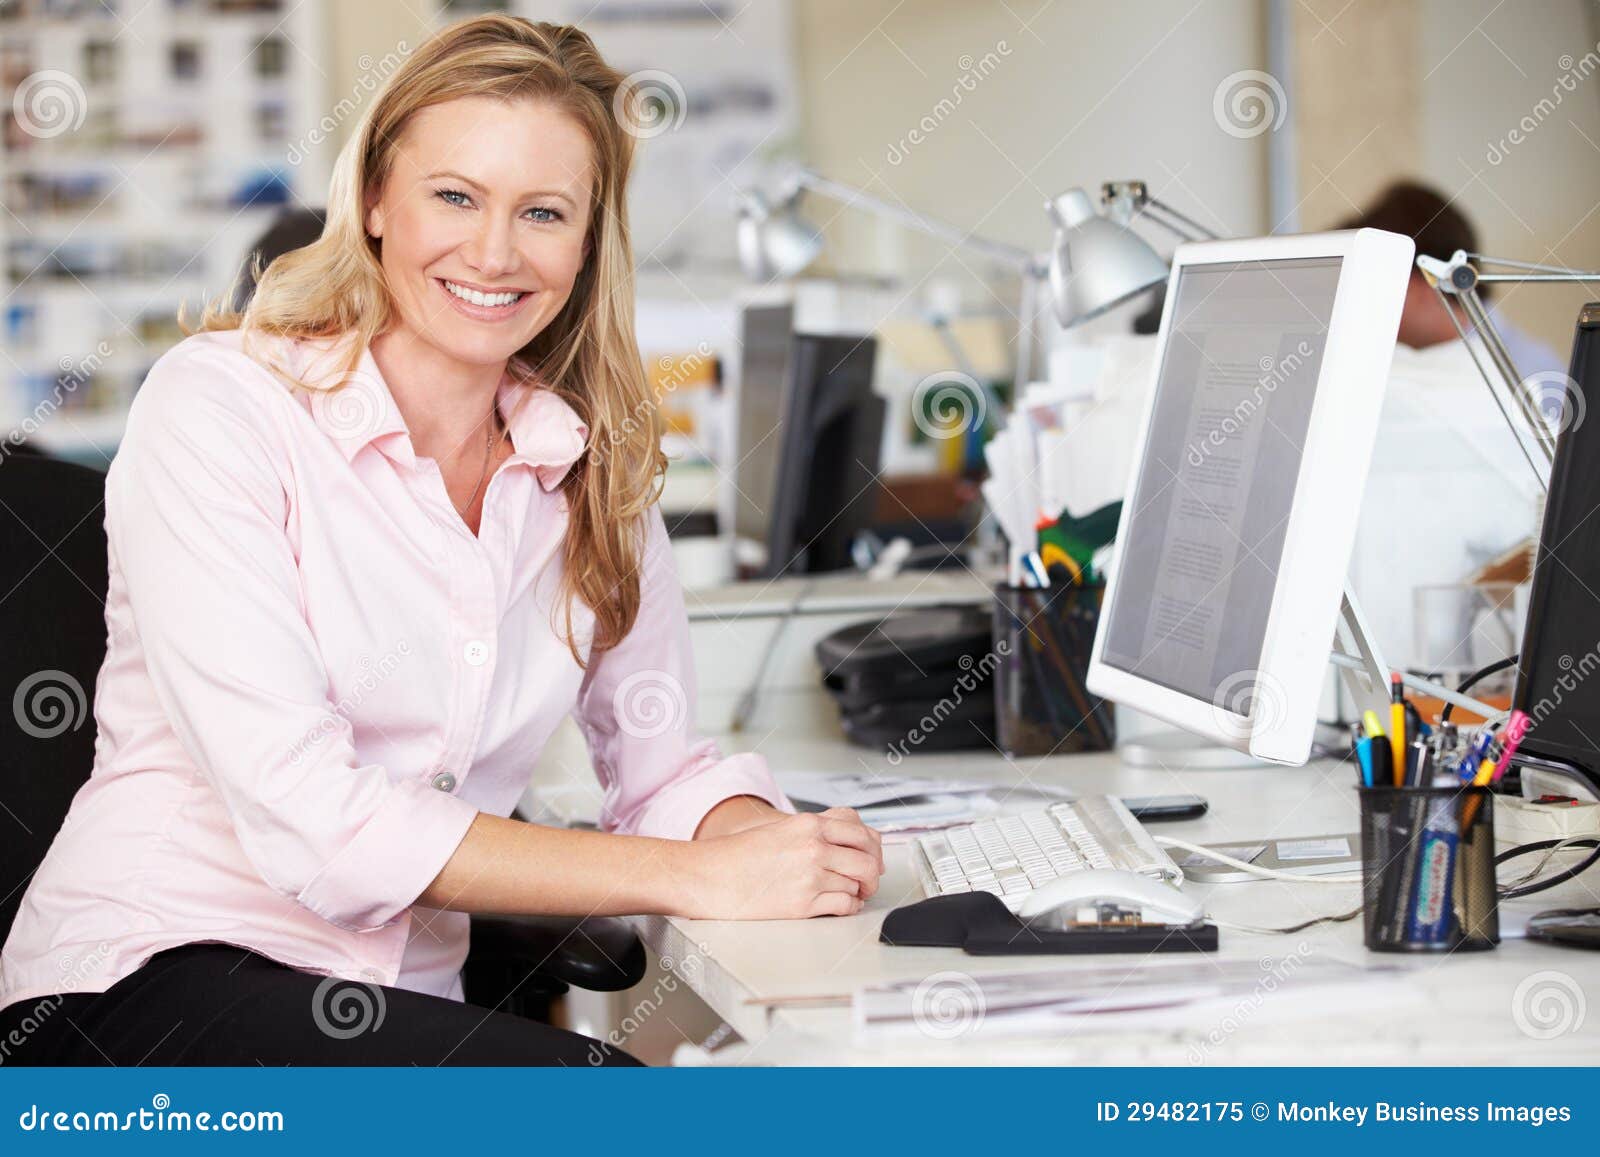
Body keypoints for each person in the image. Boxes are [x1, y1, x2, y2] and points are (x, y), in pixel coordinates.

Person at [0, 15, 883, 1066]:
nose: (495, 252)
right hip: (143, 988)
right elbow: (314, 816)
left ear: (588, 241)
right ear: (376, 200)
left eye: (543, 212)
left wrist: (768, 841)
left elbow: (661, 770)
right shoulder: (222, 408)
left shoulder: (586, 462)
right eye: (455, 196)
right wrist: (693, 876)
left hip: (399, 999)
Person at [1337, 180, 1564, 380]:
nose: (1361, 306)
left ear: (1424, 284)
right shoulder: (1429, 363)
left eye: (1370, 285)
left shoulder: (1535, 379)